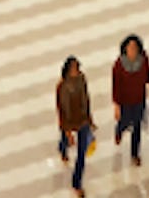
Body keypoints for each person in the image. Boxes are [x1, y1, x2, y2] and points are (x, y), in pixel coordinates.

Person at [112, 35, 149, 167]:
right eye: (129, 47)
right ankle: (119, 131)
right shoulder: (119, 66)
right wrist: (116, 106)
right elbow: (116, 87)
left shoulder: (144, 60)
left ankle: (135, 154)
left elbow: (148, 75)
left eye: (135, 48)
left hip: (139, 99)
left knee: (137, 126)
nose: (132, 50)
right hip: (125, 101)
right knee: (124, 122)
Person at [56, 57, 94, 197]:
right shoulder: (62, 86)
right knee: (65, 140)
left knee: (81, 153)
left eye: (77, 68)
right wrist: (67, 131)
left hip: (82, 120)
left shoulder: (82, 79)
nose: (75, 71)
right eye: (72, 69)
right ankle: (62, 148)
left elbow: (86, 98)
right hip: (69, 121)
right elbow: (61, 109)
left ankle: (76, 182)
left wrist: (90, 119)